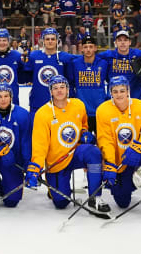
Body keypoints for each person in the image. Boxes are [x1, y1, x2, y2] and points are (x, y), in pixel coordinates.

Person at [24, 76, 107, 212]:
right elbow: (40, 144)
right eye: (55, 88)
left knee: (93, 152)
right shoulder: (42, 114)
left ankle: (95, 198)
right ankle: (54, 190)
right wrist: (35, 167)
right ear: (50, 92)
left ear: (68, 89)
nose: (59, 91)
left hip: (75, 153)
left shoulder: (78, 105)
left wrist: (84, 132)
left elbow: (83, 123)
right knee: (61, 202)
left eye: (62, 87)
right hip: (57, 161)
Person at [95, 77, 141, 216]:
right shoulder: (103, 110)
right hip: (119, 158)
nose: (119, 94)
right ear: (110, 92)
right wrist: (110, 163)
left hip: (138, 153)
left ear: (128, 91)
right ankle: (129, 178)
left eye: (122, 90)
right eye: (115, 91)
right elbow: (105, 139)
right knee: (123, 201)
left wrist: (138, 148)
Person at [21, 27, 74, 113]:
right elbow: (27, 77)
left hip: (59, 104)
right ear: (43, 40)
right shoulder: (34, 56)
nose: (50, 41)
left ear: (57, 40)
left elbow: (70, 81)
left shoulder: (65, 57)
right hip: (37, 103)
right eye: (47, 39)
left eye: (53, 39)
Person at [65, 36, 111, 121]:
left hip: (100, 109)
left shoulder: (103, 63)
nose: (88, 50)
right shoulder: (75, 63)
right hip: (81, 110)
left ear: (95, 48)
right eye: (85, 47)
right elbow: (70, 83)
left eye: (91, 47)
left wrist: (108, 98)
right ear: (81, 49)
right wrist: (73, 99)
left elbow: (110, 82)